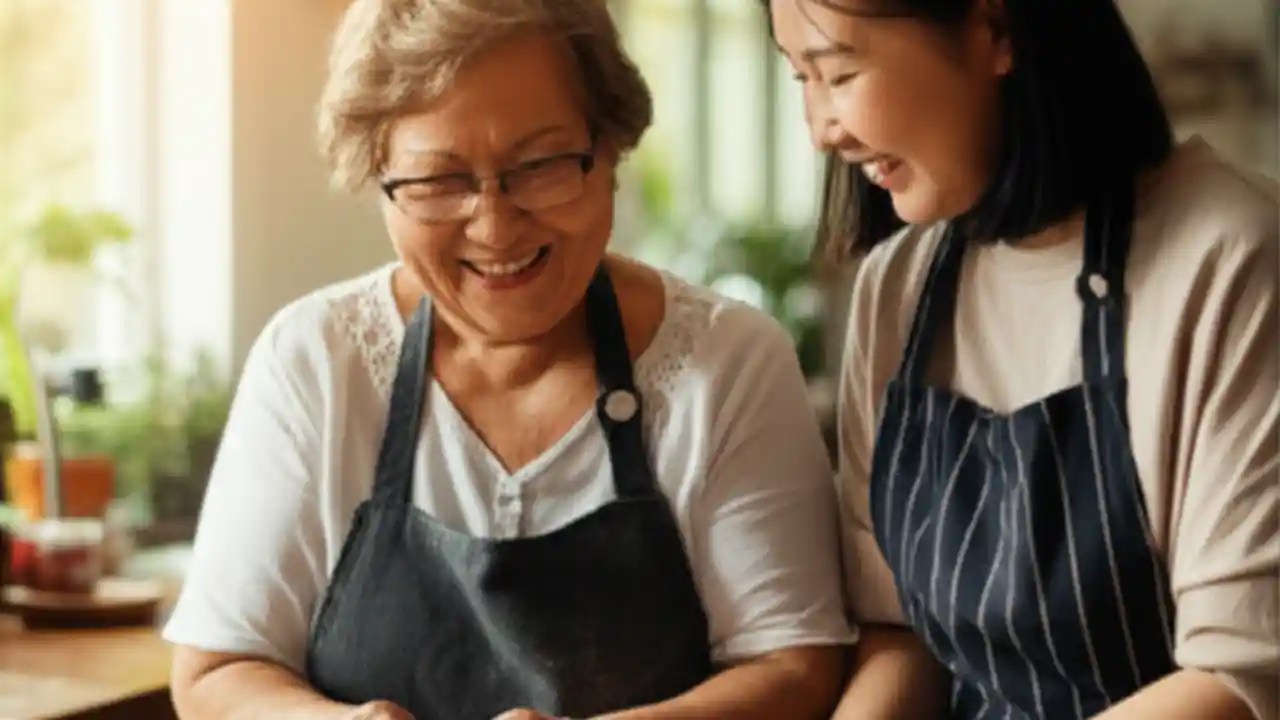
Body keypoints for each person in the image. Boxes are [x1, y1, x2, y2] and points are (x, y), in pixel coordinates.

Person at [164, 1, 854, 718]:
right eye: (438, 180)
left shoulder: (728, 363)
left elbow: (794, 671)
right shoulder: (313, 360)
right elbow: (217, 673)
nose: (494, 226)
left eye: (540, 165)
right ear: (380, 177)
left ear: (610, 147)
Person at [766, 0, 1279, 718]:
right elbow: (897, 629)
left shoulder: (1234, 258)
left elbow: (1240, 677)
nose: (821, 131)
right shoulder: (898, 288)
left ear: (997, 31)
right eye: (800, 80)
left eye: (841, 73)